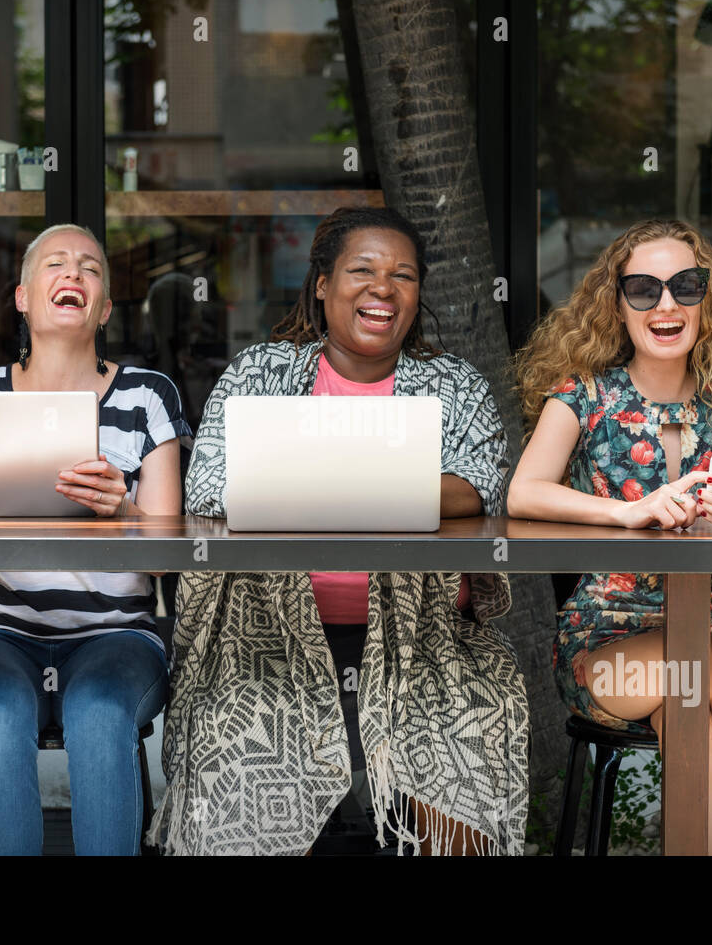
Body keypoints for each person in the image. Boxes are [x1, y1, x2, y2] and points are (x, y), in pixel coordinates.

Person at [149, 206, 529, 855]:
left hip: (426, 651)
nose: (384, 286)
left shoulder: (453, 385)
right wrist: (397, 485)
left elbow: (476, 490)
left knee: (468, 771)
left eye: (403, 275)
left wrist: (311, 481)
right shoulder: (260, 375)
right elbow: (212, 486)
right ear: (322, 284)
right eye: (363, 269)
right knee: (233, 756)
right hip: (262, 651)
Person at [508, 218, 712, 855]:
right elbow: (523, 492)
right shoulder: (582, 396)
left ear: (706, 300)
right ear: (617, 306)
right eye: (643, 289)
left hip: (707, 632)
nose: (666, 304)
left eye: (684, 286)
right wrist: (625, 512)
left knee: (690, 708)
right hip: (606, 643)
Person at [0, 223, 190, 855]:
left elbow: (167, 549)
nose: (71, 273)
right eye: (54, 264)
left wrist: (124, 510)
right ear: (22, 296)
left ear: (104, 307)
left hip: (115, 634)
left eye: (89, 268)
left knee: (102, 713)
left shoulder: (147, 396)